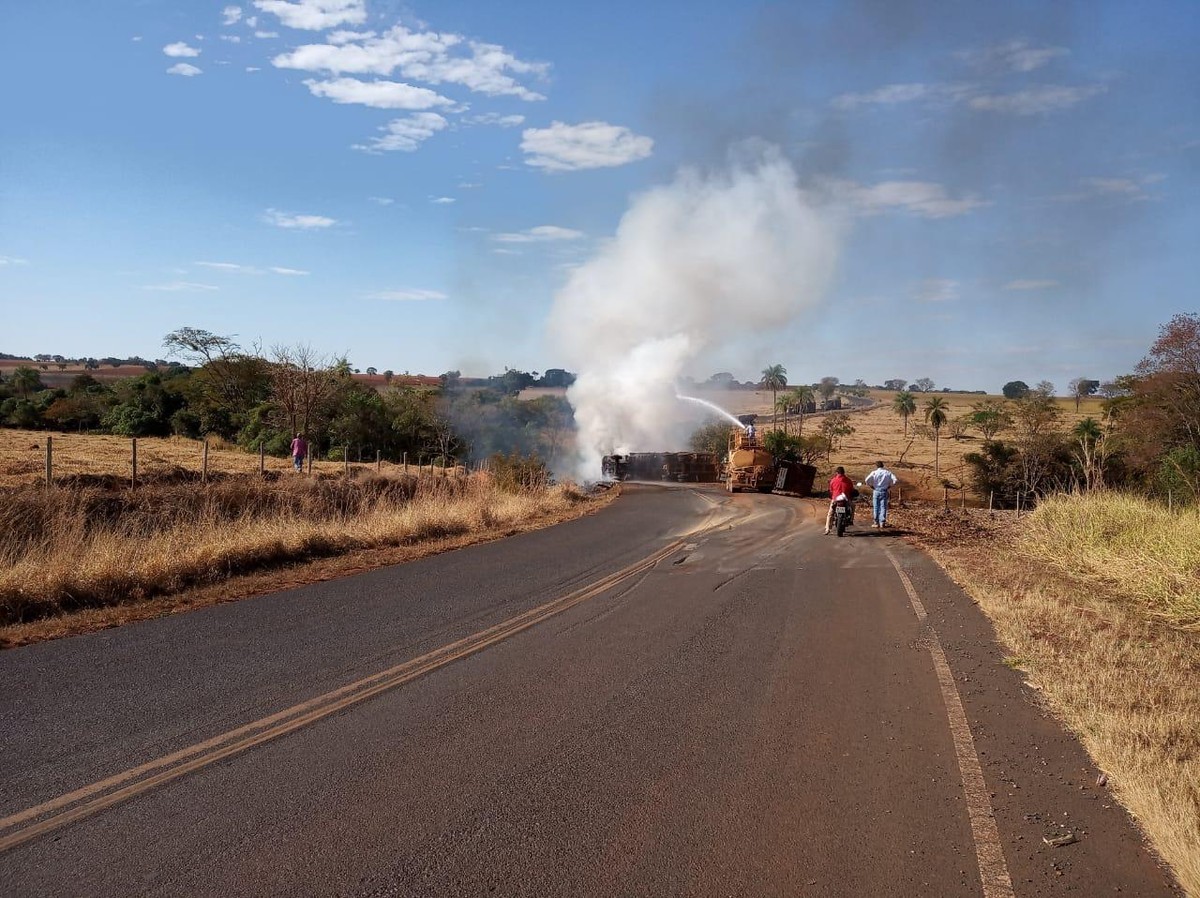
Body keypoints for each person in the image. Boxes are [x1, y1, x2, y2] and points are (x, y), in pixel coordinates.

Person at [862, 460, 898, 528]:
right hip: (884, 491)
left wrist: (870, 485)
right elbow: (895, 480)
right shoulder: (888, 472)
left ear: (876, 466)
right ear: (883, 466)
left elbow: (866, 480)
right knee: (883, 507)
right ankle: (882, 522)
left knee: (876, 507)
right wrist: (890, 486)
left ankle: (876, 522)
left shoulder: (874, 472)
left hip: (876, 490)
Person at [824, 465, 856, 535]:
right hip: (846, 499)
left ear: (837, 473)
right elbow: (851, 490)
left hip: (835, 499)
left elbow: (831, 490)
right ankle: (851, 520)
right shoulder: (848, 480)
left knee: (830, 513)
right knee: (853, 506)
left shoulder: (833, 480)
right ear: (844, 472)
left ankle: (827, 529)